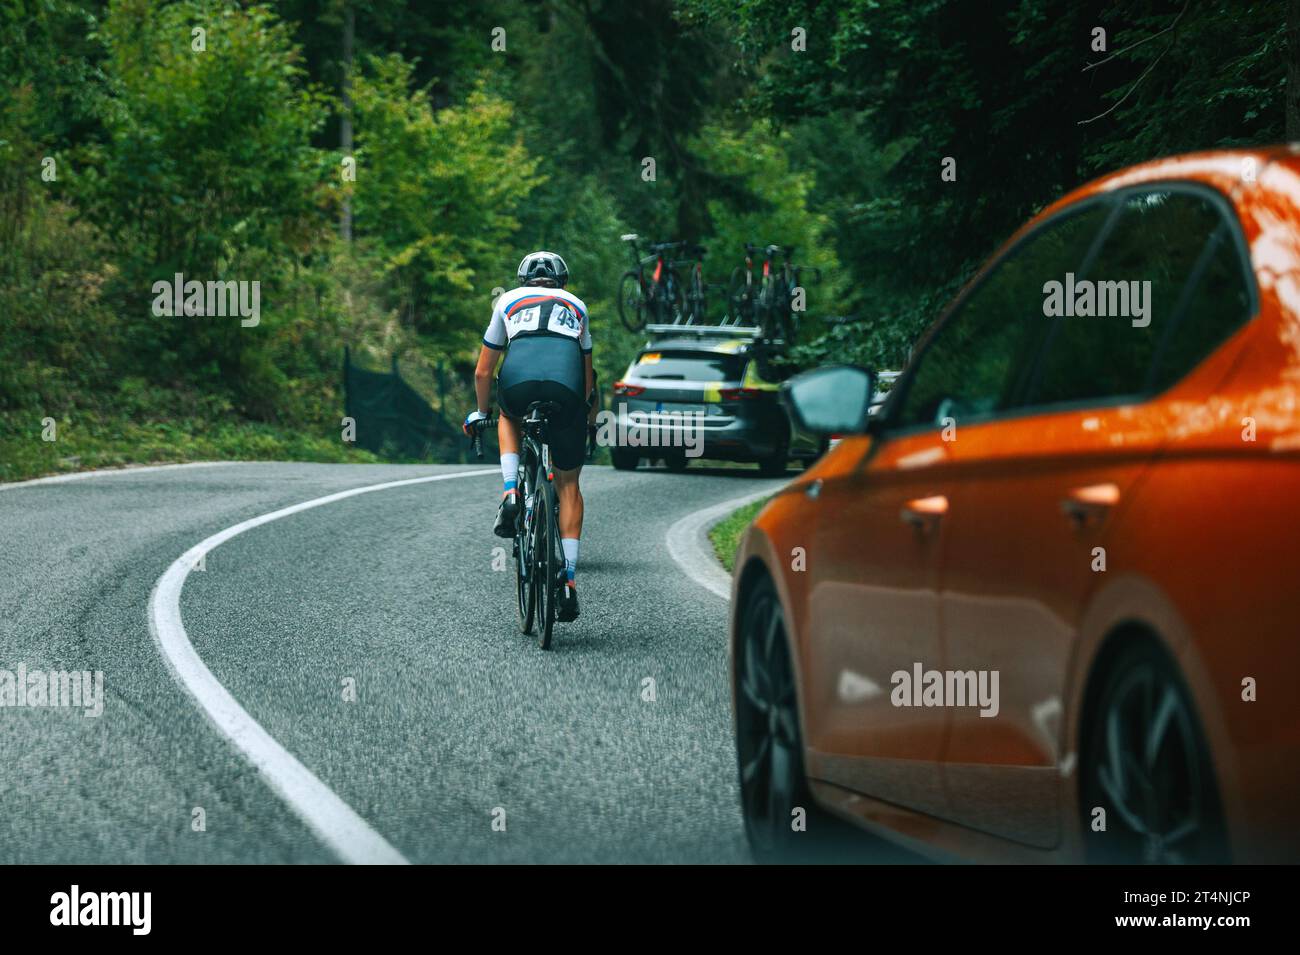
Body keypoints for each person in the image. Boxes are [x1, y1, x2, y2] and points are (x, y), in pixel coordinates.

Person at [464, 251, 593, 622]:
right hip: (566, 388)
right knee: (569, 486)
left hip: (518, 382)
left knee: (509, 416)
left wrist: (481, 412)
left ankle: (510, 491)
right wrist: (579, 414)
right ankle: (567, 582)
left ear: (523, 280)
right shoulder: (578, 307)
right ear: (562, 282)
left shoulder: (506, 301)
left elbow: (483, 372)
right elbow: (586, 377)